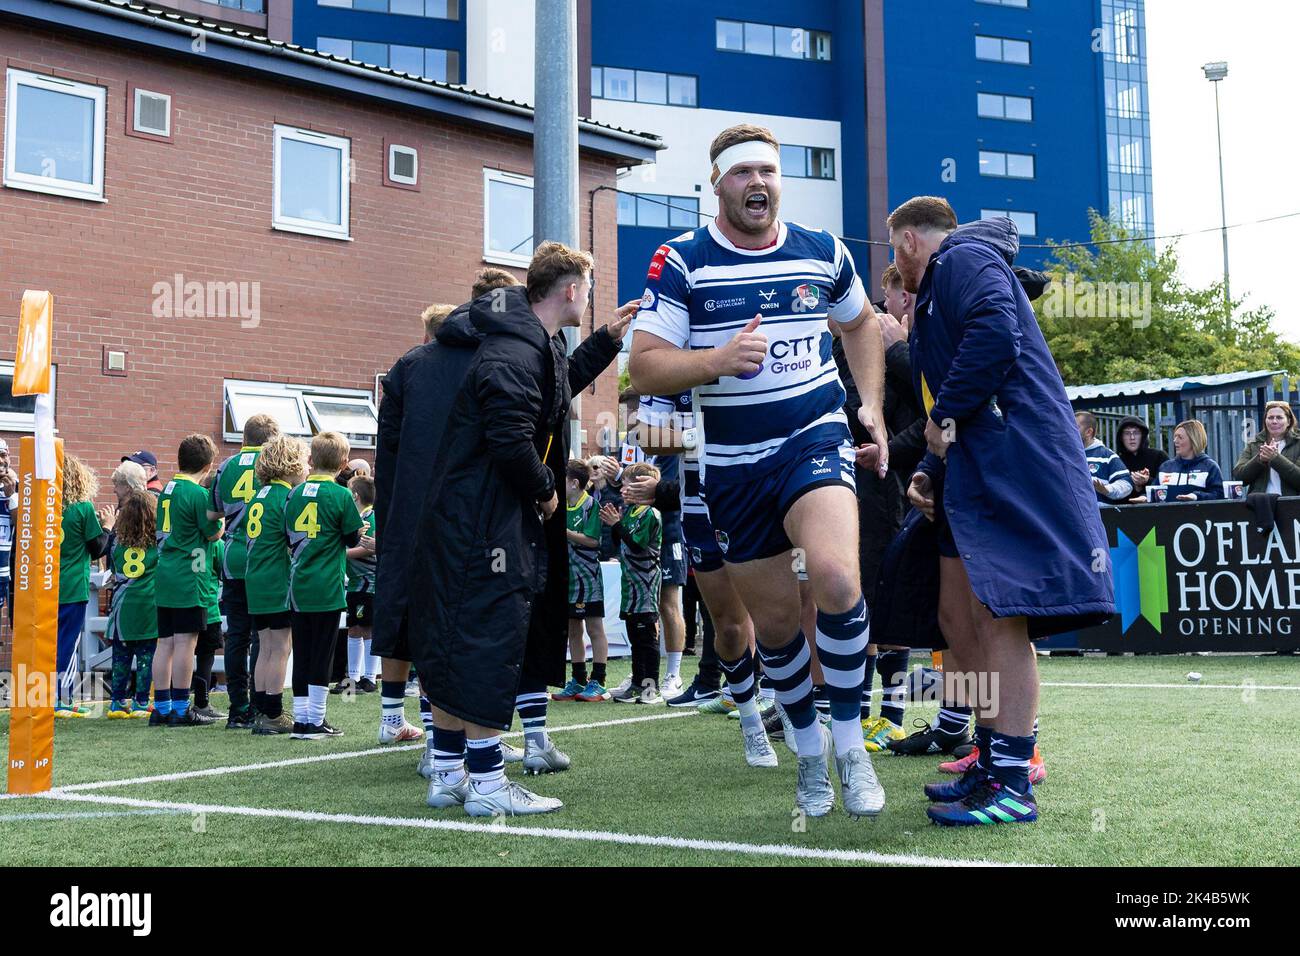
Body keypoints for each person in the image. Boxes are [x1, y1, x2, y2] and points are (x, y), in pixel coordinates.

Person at [629, 123, 890, 818]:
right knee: (773, 628)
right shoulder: (681, 261)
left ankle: (850, 746)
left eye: (768, 173)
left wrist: (871, 406)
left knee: (835, 577)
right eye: (742, 174)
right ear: (717, 185)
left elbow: (861, 324)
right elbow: (645, 363)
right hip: (731, 468)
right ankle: (808, 755)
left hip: (813, 439)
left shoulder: (822, 251)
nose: (758, 184)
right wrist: (712, 363)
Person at [888, 197, 1112, 826]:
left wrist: (941, 421)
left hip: (1012, 462)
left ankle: (1013, 779)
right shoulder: (940, 289)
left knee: (998, 619)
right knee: (958, 617)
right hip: (972, 468)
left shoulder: (961, 257)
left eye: (892, 255)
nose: (895, 276)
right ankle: (990, 758)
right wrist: (931, 469)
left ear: (908, 241)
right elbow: (950, 398)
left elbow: (994, 336)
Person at [411, 241, 627, 816]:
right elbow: (509, 438)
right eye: (590, 286)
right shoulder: (514, 346)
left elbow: (553, 392)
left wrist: (606, 339)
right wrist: (546, 490)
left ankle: (451, 773)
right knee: (485, 638)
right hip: (486, 520)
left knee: (459, 639)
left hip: (467, 515)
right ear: (571, 290)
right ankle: (485, 783)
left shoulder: (529, 339)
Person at [284, 432, 365, 739]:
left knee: (302, 651)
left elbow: (287, 534)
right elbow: (352, 538)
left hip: (299, 583)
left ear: (311, 459)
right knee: (322, 654)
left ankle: (302, 719)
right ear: (344, 463)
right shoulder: (342, 495)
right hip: (328, 584)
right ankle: (315, 720)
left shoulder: (294, 493)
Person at [211, 413, 280, 729]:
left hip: (234, 552)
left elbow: (214, 513)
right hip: (264, 556)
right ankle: (262, 705)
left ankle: (238, 707)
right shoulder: (274, 465)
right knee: (263, 637)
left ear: (244, 437)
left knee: (236, 634)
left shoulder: (226, 466)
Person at [153, 434, 224, 726]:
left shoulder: (167, 488)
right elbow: (212, 533)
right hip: (188, 574)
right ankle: (182, 708)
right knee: (185, 643)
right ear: (208, 466)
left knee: (165, 642)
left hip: (166, 571)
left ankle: (161, 707)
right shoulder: (196, 494)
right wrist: (221, 521)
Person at [244, 435, 307, 734]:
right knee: (280, 647)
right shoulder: (286, 496)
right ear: (290, 464)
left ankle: (261, 710)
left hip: (255, 578)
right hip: (277, 578)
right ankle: (273, 712)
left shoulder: (259, 495)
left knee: (266, 646)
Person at [601, 462, 664, 703]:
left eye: (626, 485)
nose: (622, 490)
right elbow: (621, 542)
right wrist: (615, 524)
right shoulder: (631, 512)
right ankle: (637, 683)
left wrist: (617, 524)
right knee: (635, 638)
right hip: (631, 586)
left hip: (645, 585)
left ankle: (651, 688)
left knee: (646, 638)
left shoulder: (651, 513)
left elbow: (637, 545)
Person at [55, 456, 110, 716]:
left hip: (46, 585)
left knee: (48, 643)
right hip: (72, 586)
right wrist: (108, 527)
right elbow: (97, 546)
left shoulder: (45, 506)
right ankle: (61, 699)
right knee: (68, 644)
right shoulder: (82, 508)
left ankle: (45, 697)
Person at [556, 459, 611, 702]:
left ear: (574, 483)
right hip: (568, 580)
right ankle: (578, 679)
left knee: (594, 628)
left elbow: (593, 541)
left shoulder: (591, 505)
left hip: (588, 578)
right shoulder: (559, 506)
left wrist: (564, 532)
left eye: (563, 481)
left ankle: (598, 680)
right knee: (572, 629)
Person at [105, 490, 159, 719]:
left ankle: (117, 702)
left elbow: (115, 572)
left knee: (121, 656)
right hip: (148, 605)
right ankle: (140, 702)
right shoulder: (157, 543)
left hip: (121, 606)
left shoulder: (117, 542)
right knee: (146, 656)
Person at [191, 496, 227, 721]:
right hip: (208, 604)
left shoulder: (186, 538)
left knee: (180, 650)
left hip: (186, 599)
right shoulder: (216, 543)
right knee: (205, 656)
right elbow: (222, 569)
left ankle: (177, 700)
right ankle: (201, 702)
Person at [1232, 401, 1300, 496]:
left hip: (1291, 505)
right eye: (1270, 417)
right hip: (1259, 503)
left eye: (1279, 418)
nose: (1274, 421)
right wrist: (1259, 460)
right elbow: (1239, 477)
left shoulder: (1298, 443)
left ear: (1288, 421)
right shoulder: (1254, 443)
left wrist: (1276, 459)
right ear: (1265, 421)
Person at [1156, 420, 1224, 501]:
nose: (1175, 441)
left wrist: (1196, 496)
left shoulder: (1210, 467)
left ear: (1194, 440)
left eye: (1180, 437)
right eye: (1175, 437)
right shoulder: (1166, 467)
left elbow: (1219, 495)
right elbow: (1154, 492)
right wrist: (1144, 497)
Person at [1076, 411, 1132, 504]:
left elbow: (1127, 484)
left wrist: (1106, 490)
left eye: (1075, 427)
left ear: (1089, 432)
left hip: (1098, 515)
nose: (1070, 430)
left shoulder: (1106, 456)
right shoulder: (1065, 455)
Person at [1115, 416, 1166, 501]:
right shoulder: (1115, 460)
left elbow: (1167, 485)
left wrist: (1148, 481)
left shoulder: (1159, 456)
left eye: (1136, 433)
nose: (1132, 437)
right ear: (1121, 437)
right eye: (1127, 433)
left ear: (1143, 435)